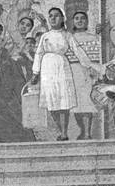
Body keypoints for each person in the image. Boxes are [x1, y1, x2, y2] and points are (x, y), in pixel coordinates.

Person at [30, 8, 100, 141]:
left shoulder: (67, 35)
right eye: (51, 16)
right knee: (51, 100)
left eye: (56, 16)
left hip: (62, 66)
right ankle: (60, 129)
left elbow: (78, 51)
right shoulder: (45, 36)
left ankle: (64, 133)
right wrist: (35, 72)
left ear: (62, 19)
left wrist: (89, 66)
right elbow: (39, 54)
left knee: (63, 100)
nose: (53, 18)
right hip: (47, 69)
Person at [67, 11, 103, 141]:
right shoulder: (69, 37)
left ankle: (87, 133)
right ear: (73, 21)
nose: (80, 20)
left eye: (83, 18)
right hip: (73, 72)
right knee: (76, 106)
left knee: (87, 102)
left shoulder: (93, 37)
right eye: (77, 18)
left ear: (87, 21)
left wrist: (94, 70)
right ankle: (82, 130)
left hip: (88, 72)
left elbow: (98, 54)